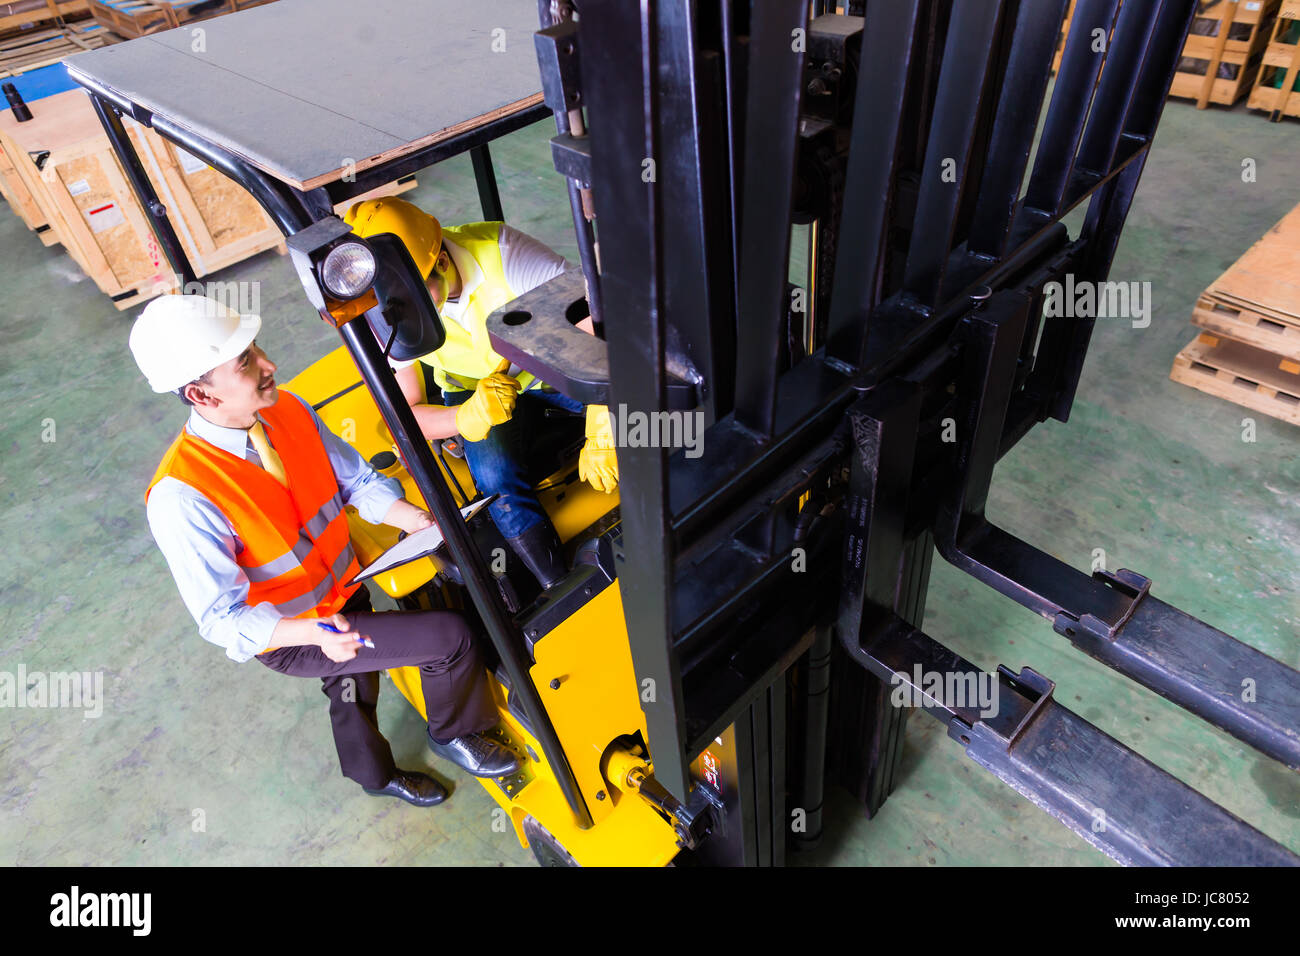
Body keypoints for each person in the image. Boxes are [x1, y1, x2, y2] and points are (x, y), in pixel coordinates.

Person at [133, 293, 520, 807]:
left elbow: (355, 479)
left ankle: (373, 775)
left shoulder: (287, 409)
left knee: (352, 686)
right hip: (294, 631)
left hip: (344, 585)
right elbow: (220, 618)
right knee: (449, 638)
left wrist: (417, 521)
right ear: (200, 396)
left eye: (256, 349)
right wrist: (312, 632)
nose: (269, 365)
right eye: (246, 362)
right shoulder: (182, 496)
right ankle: (453, 732)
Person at [343, 198, 619, 590]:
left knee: (646, 402)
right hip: (475, 393)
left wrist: (603, 416)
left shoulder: (507, 257)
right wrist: (465, 417)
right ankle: (560, 586)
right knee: (494, 476)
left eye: (413, 301)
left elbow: (599, 323)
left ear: (439, 263)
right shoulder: (391, 314)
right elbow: (403, 415)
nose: (405, 318)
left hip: (553, 365)